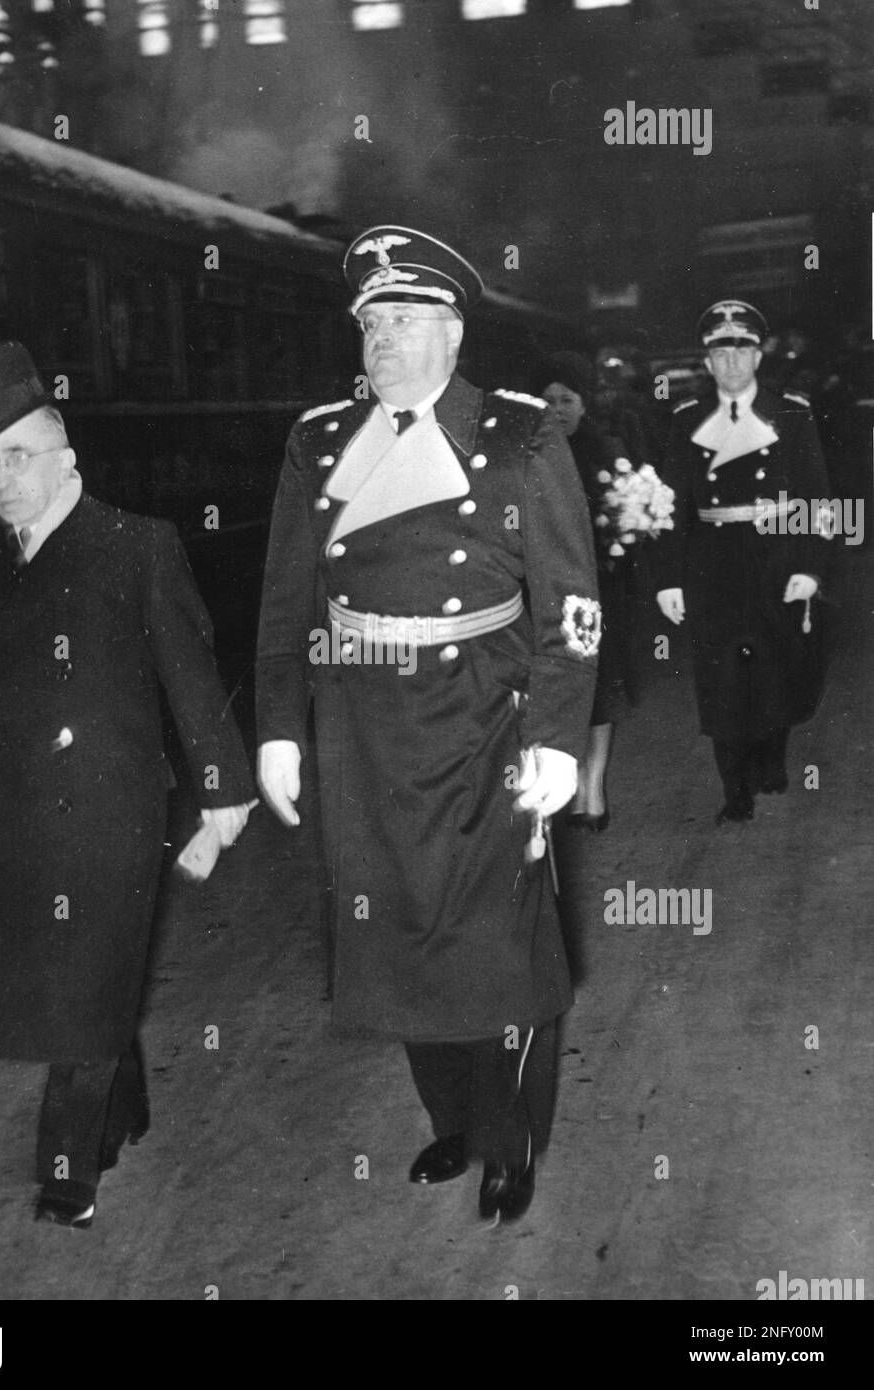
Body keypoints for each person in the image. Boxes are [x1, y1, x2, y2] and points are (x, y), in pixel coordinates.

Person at [0, 342, 256, 1227]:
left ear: (66, 456)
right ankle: (127, 1102)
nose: (2, 478)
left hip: (103, 805)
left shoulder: (135, 546)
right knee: (81, 979)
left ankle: (68, 1169)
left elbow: (190, 673)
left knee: (84, 976)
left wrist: (223, 788)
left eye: (20, 456)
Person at [255, 227, 600, 1224]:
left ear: (452, 331)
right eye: (371, 323)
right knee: (394, 930)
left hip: (486, 718)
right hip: (360, 730)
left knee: (491, 940)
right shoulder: (319, 441)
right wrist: (279, 727)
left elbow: (574, 613)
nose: (383, 342)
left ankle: (507, 1136)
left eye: (405, 321)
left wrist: (558, 744)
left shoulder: (522, 438)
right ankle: (454, 1115)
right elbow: (287, 604)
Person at [653, 301, 832, 824]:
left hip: (777, 554)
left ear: (758, 356)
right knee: (722, 676)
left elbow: (817, 500)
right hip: (712, 563)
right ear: (707, 362)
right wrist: (667, 579)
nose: (731, 361)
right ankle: (735, 791)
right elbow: (670, 504)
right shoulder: (687, 418)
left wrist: (811, 567)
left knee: (776, 666)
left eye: (742, 349)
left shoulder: (792, 411)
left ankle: (771, 760)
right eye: (719, 351)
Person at [536, 350, 636, 830]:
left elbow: (629, 517)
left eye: (566, 399)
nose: (557, 409)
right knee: (559, 688)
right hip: (541, 594)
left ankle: (593, 789)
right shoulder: (526, 452)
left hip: (600, 590)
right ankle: (568, 782)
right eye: (548, 399)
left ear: (583, 405)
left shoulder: (606, 449)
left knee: (597, 692)